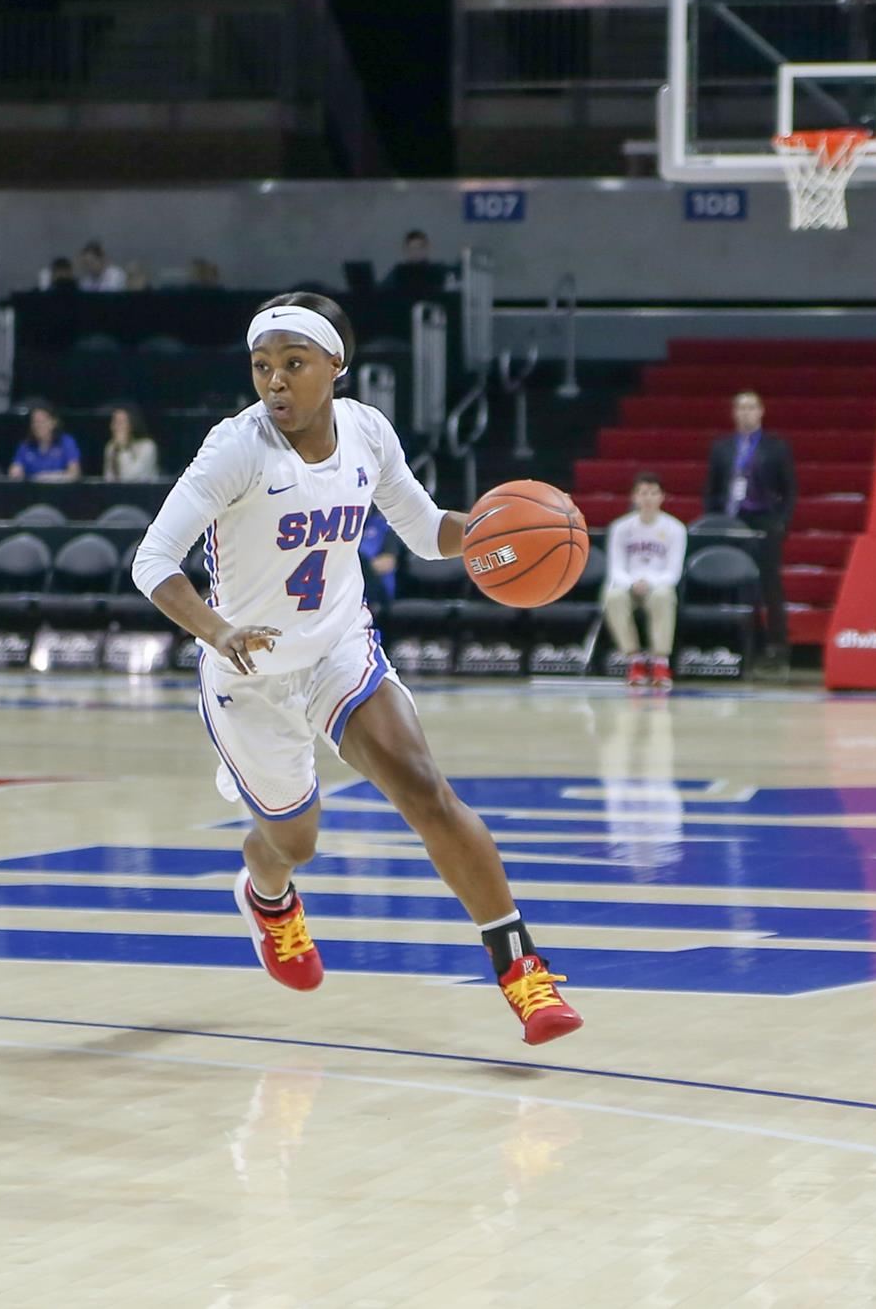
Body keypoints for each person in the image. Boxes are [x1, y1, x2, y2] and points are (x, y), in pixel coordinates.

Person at [129, 291, 582, 1046]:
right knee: (295, 840)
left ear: (336, 366)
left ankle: (521, 968)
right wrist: (218, 630)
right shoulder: (235, 448)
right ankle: (267, 894)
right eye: (262, 366)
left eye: (293, 364)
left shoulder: (368, 431)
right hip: (249, 673)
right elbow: (152, 560)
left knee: (424, 787)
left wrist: (497, 535)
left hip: (339, 647)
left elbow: (426, 529)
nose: (275, 381)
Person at [703, 390, 796, 670]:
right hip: (732, 520)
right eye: (740, 408)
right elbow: (711, 488)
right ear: (734, 413)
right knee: (734, 584)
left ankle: (777, 645)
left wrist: (781, 522)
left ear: (761, 412)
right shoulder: (721, 448)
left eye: (751, 407)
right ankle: (739, 643)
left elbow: (790, 489)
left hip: (763, 520)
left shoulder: (776, 447)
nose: (746, 413)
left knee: (769, 586)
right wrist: (714, 522)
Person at [603, 473, 688, 691]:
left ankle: (660, 662)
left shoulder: (675, 528)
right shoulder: (620, 527)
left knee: (663, 595)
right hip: (628, 584)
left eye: (653, 493)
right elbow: (616, 567)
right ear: (634, 497)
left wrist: (648, 582)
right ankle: (634, 661)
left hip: (658, 584)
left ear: (662, 497)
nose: (648, 498)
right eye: (643, 493)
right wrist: (632, 583)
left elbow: (673, 571)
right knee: (613, 597)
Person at [8, 406, 81, 483]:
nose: (38, 426)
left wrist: (47, 477)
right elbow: (15, 470)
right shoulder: (25, 445)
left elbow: (74, 473)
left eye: (42, 421)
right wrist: (15, 473)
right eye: (35, 422)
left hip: (60, 491)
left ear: (53, 422)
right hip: (32, 491)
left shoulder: (66, 442)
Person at [103, 405, 159, 482]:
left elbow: (133, 478)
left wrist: (123, 449)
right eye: (114, 422)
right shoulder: (111, 447)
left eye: (120, 422)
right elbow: (108, 479)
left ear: (132, 424)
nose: (114, 427)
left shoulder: (148, 446)